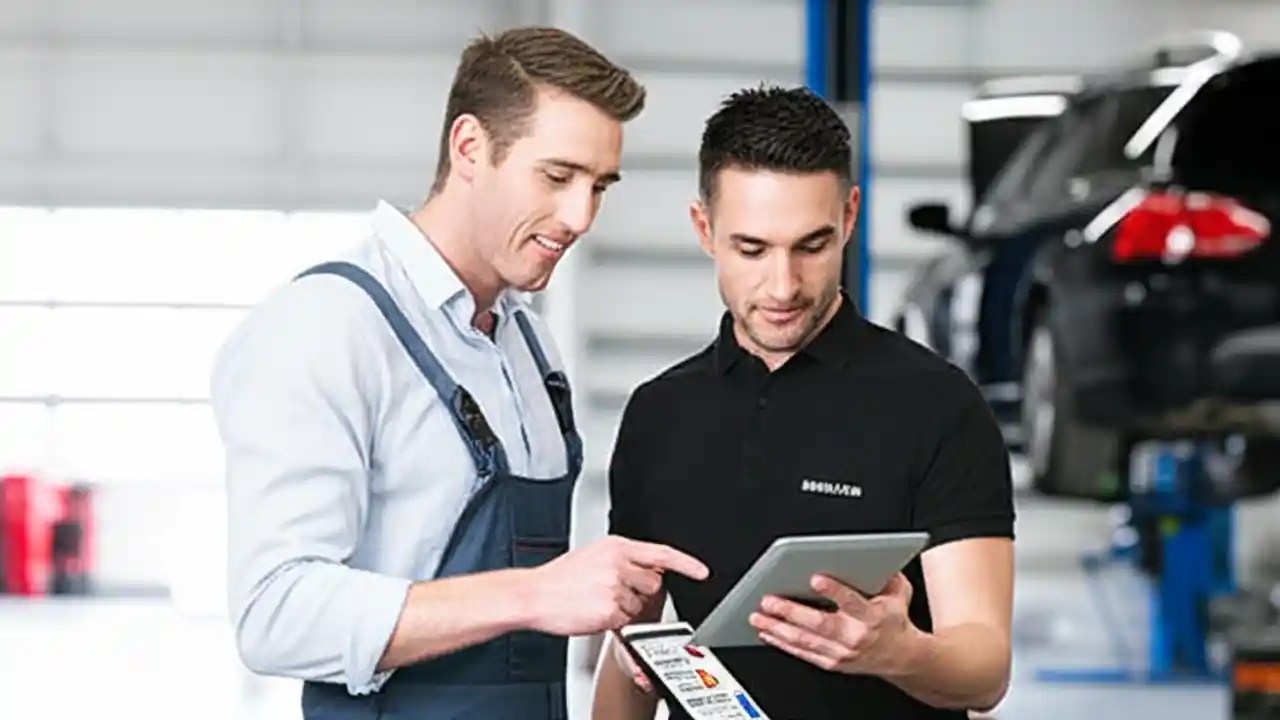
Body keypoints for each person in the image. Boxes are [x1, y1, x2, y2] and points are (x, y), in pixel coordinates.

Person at [210, 26, 708, 720]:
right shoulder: (327, 328)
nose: (580, 217)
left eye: (599, 186)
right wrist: (535, 594)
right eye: (557, 176)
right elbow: (274, 615)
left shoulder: (530, 348)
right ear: (470, 147)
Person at [590, 85, 1015, 720]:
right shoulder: (658, 415)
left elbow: (984, 668)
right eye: (752, 249)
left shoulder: (939, 407)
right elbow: (629, 651)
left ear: (849, 217)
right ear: (704, 229)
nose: (783, 286)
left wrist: (897, 653)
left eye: (812, 246)